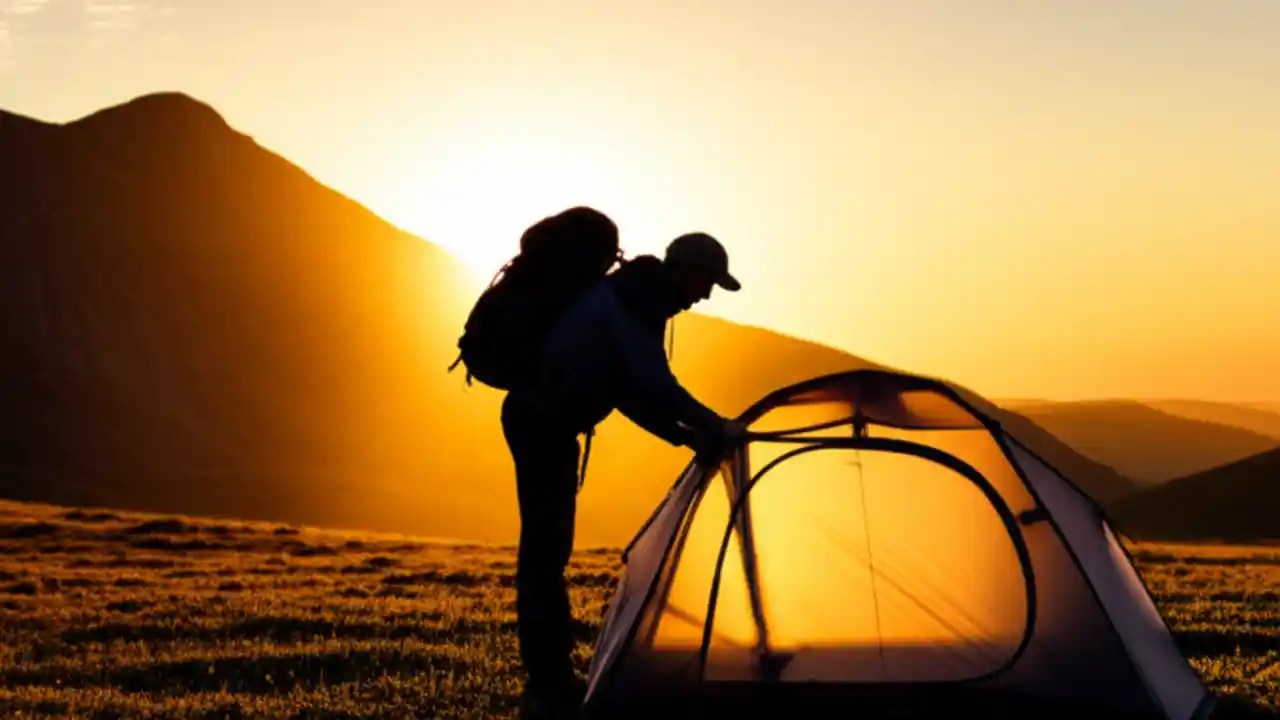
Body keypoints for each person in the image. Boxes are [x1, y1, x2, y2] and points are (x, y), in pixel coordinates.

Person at [501, 229, 748, 718]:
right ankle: (548, 681)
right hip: (541, 421)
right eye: (706, 283)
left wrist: (687, 436)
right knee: (545, 555)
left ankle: (550, 675)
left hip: (543, 421)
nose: (705, 297)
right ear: (684, 270)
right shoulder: (637, 300)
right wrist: (714, 424)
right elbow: (655, 384)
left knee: (547, 553)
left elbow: (625, 391)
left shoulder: (634, 296)